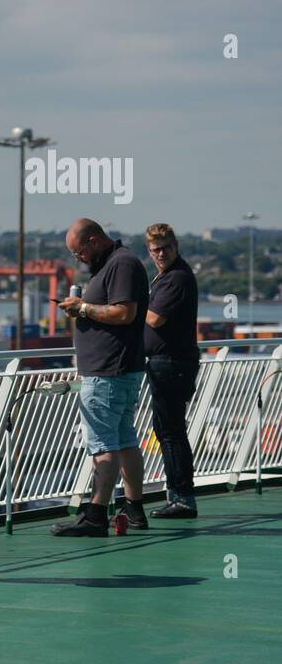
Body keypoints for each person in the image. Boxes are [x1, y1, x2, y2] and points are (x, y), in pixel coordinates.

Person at [54, 218, 150, 536]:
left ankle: (96, 514)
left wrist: (82, 308)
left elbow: (124, 313)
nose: (77, 258)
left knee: (102, 443)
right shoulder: (115, 263)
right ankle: (134, 508)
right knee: (125, 439)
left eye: (78, 252)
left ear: (93, 240)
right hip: (121, 369)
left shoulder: (121, 264)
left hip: (107, 372)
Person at [143, 222, 201, 518]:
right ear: (149, 251)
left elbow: (154, 319)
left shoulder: (176, 278)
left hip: (172, 364)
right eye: (155, 250)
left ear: (175, 246)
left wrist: (127, 307)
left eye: (166, 248)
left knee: (171, 431)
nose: (161, 254)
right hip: (168, 363)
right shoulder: (165, 276)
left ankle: (182, 497)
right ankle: (179, 494)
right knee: (168, 430)